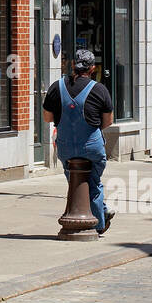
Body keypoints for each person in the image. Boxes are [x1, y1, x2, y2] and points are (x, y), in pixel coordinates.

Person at [43, 49, 116, 234]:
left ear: (73, 65)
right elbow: (108, 121)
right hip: (92, 146)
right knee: (93, 182)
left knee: (77, 182)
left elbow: (47, 117)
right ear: (92, 68)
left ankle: (98, 212)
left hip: (66, 146)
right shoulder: (99, 89)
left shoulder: (56, 87)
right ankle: (99, 223)